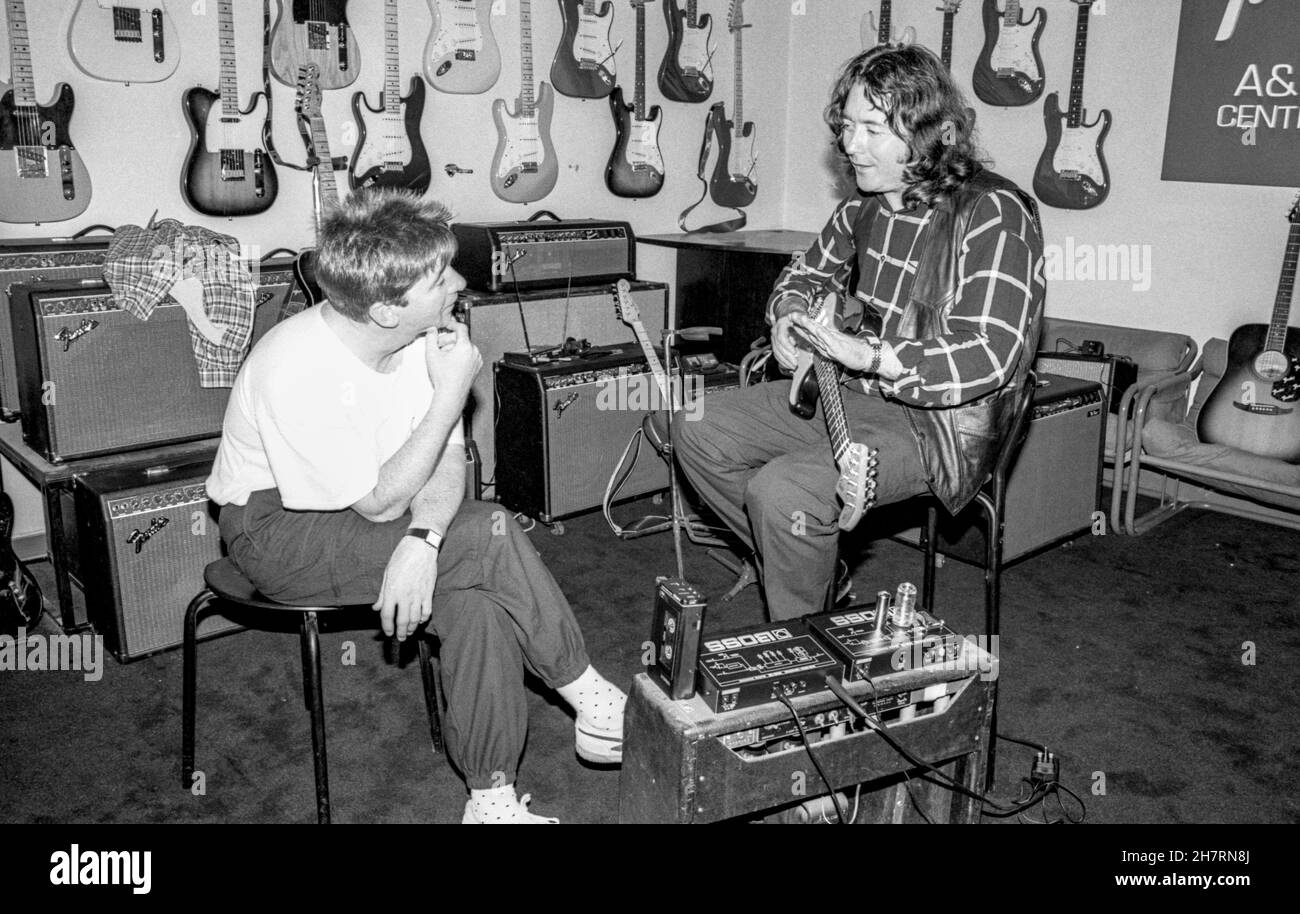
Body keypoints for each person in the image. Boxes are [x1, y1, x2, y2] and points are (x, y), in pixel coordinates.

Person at [206, 189, 626, 824]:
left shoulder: (423, 335)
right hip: (276, 528)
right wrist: (449, 395)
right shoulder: (296, 367)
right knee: (488, 532)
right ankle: (586, 692)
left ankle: (490, 800)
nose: (460, 281)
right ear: (383, 310)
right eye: (440, 277)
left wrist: (424, 541)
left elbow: (447, 462)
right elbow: (378, 505)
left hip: (371, 504)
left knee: (476, 598)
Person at [673, 44, 1046, 621]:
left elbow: (993, 355)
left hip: (939, 425)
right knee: (696, 427)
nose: (850, 145)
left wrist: (873, 355)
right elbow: (800, 275)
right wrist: (787, 319)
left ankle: (803, 646)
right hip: (851, 394)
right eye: (847, 126)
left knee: (782, 491)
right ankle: (812, 567)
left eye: (873, 128)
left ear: (931, 135)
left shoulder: (993, 212)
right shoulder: (862, 207)